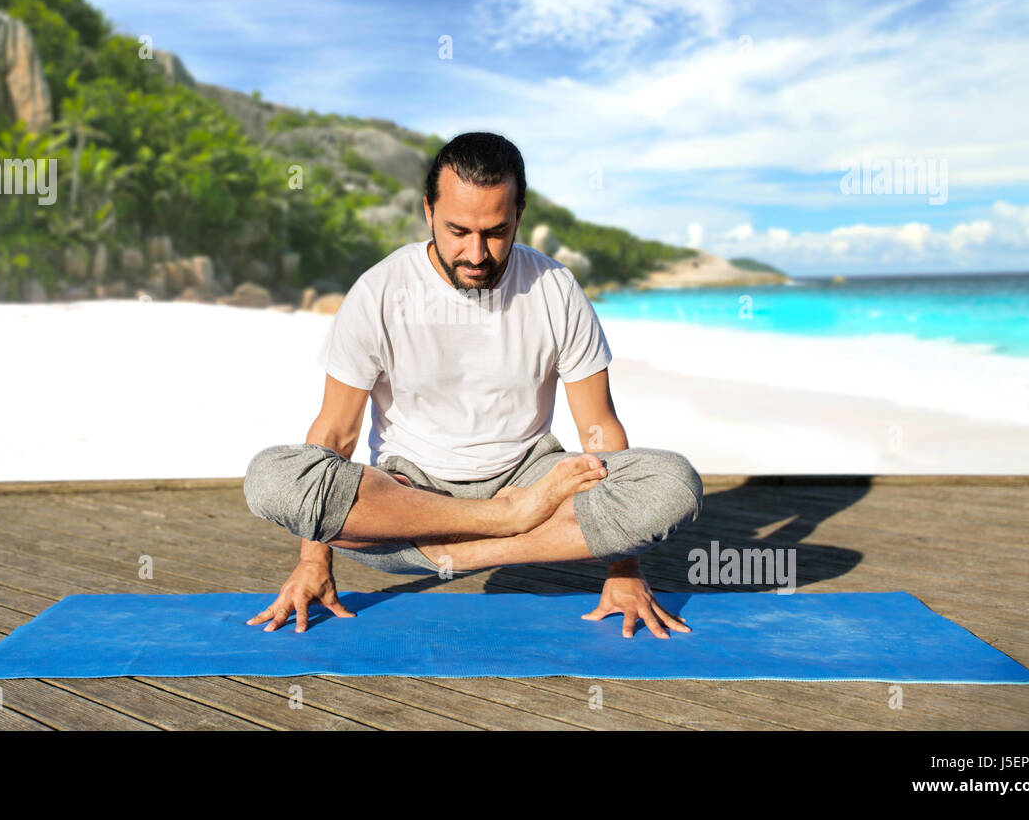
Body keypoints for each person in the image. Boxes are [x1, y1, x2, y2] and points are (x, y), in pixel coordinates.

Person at [243, 132, 703, 638]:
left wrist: (625, 570)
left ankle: (482, 536)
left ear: (519, 216)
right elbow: (334, 434)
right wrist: (314, 561)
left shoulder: (555, 288)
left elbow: (598, 428)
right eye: (458, 230)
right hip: (410, 498)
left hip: (529, 481)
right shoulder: (379, 290)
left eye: (496, 231)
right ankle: (501, 522)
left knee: (672, 484)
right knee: (273, 478)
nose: (477, 253)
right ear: (428, 211)